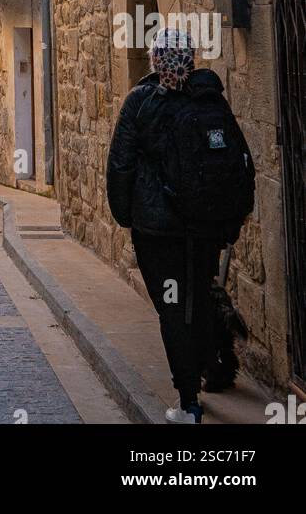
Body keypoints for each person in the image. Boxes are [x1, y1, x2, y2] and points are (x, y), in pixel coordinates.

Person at [106, 28, 255, 424]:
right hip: (203, 230)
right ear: (189, 59)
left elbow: (120, 165)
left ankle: (188, 402)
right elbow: (239, 163)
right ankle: (208, 368)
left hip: (160, 235)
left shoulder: (141, 102)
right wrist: (229, 220)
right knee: (199, 297)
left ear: (156, 60)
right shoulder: (208, 99)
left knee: (173, 308)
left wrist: (127, 216)